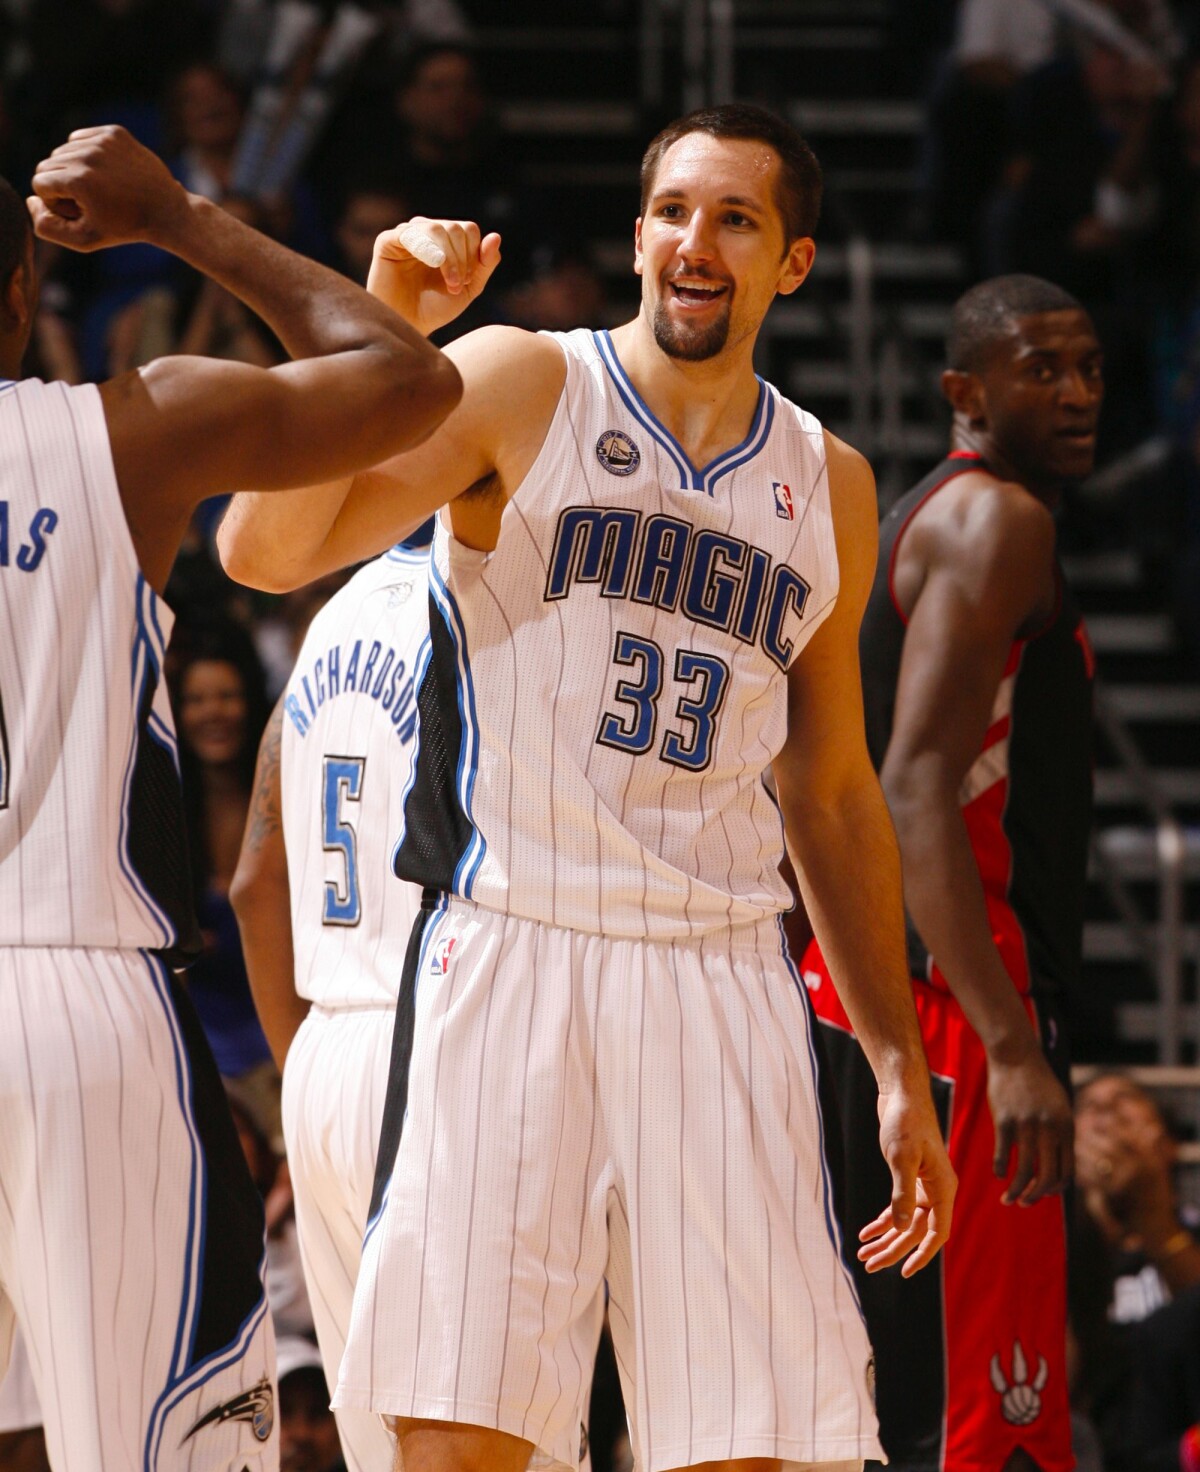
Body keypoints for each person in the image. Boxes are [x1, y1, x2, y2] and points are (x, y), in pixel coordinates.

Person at [218, 103, 957, 1472]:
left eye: (737, 219)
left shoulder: (830, 484)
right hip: (512, 949)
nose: (698, 241)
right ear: (636, 236)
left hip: (718, 974)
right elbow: (265, 549)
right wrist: (391, 332)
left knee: (760, 1444)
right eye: (675, 210)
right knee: (461, 1442)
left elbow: (836, 793)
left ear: (791, 264)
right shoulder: (520, 382)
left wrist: (896, 1063)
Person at [0, 123, 459, 1472]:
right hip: (75, 998)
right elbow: (407, 379)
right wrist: (179, 217)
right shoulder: (120, 436)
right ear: (24, 294)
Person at [802, 273, 1101, 1472]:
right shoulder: (997, 522)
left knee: (888, 1418)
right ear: (963, 392)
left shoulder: (920, 517)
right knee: (990, 1432)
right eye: (1043, 367)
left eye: (1088, 365)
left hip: (863, 993)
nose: (1078, 392)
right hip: (958, 1015)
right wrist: (1013, 1043)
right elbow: (917, 781)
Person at [231, 534, 433, 1472]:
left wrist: (306, 1059)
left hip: (324, 1058)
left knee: (375, 1444)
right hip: (435, 1052)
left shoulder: (321, 633)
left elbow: (251, 883)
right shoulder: (492, 616)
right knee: (491, 1432)